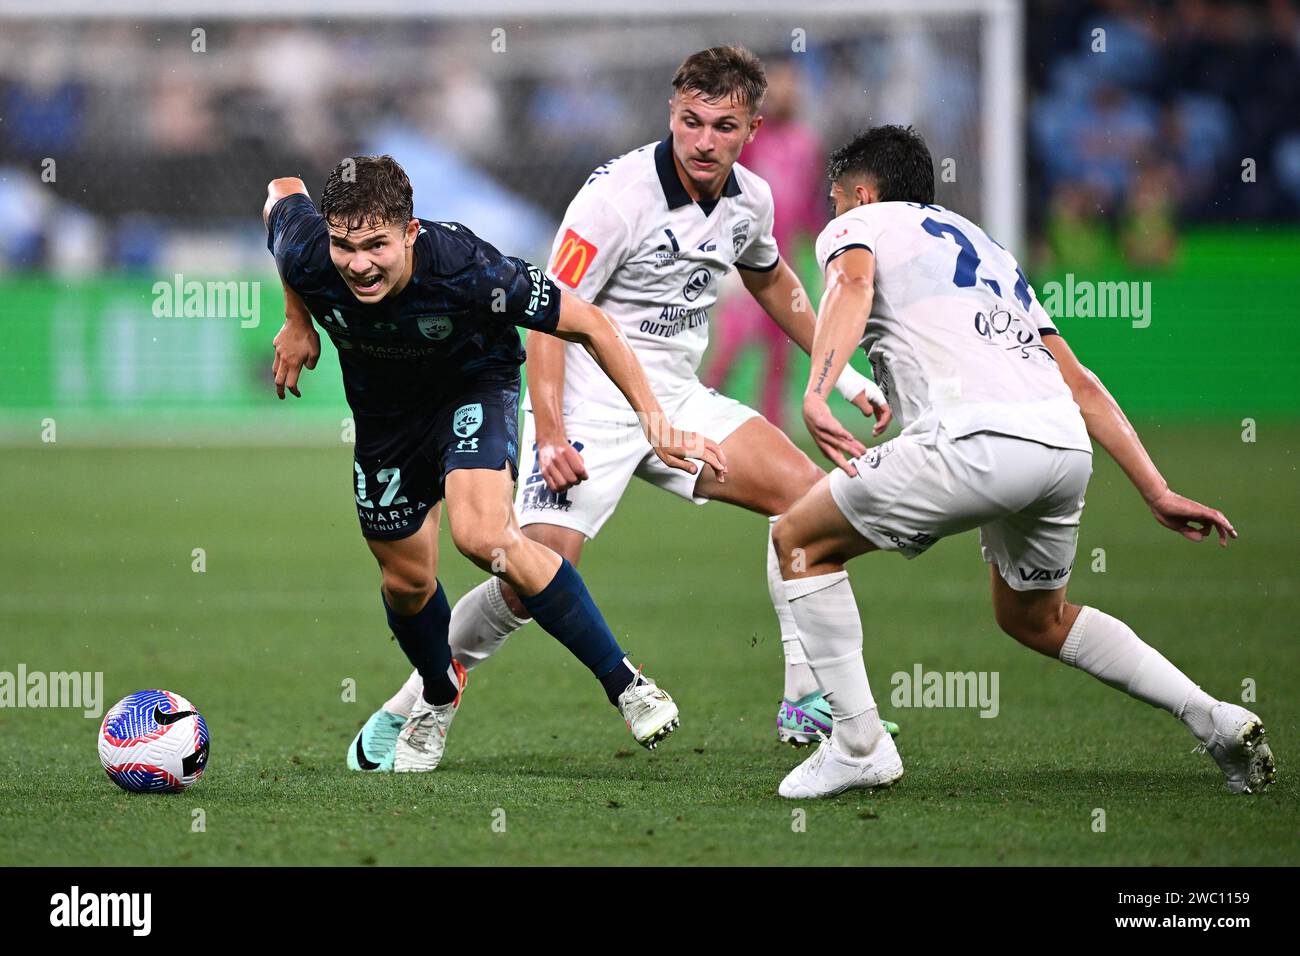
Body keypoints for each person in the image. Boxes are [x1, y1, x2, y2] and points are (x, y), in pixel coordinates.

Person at [354, 46, 899, 771]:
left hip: (675, 397)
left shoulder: (751, 201)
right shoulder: (615, 197)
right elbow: (552, 311)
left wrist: (847, 378)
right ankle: (418, 700)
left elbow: (773, 283)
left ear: (751, 129)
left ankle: (808, 695)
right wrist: (549, 430)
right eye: (690, 121)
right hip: (587, 402)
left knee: (810, 504)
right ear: (672, 114)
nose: (704, 141)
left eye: (723, 126)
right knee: (528, 575)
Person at [772, 125, 1274, 799]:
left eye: (835, 201)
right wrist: (1155, 489)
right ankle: (1212, 717)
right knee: (1033, 616)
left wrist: (816, 386)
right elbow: (1080, 380)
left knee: (796, 539)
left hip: (973, 442)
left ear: (861, 193)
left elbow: (853, 286)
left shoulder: (859, 225)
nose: (833, 216)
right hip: (1061, 445)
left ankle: (859, 745)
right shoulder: (986, 249)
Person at [265, 155, 726, 771]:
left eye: (376, 245)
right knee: (405, 583)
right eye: (345, 246)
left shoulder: (473, 271)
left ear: (411, 232)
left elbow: (590, 323)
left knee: (484, 536)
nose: (358, 264)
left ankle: (627, 684)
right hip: (385, 419)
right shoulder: (309, 250)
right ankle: (437, 695)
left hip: (472, 387)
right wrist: (298, 322)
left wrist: (654, 420)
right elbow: (280, 194)